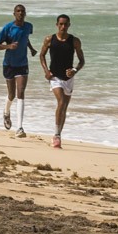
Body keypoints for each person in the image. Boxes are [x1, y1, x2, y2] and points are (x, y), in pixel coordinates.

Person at [39, 13, 84, 148]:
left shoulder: (74, 41)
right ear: (57, 25)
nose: (63, 26)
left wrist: (74, 70)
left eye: (65, 24)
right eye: (61, 24)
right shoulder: (49, 39)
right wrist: (46, 71)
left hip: (68, 78)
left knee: (64, 107)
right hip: (55, 77)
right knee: (61, 101)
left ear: (69, 25)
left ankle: (58, 133)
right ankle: (56, 136)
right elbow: (42, 55)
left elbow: (82, 61)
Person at [0, 3, 34, 134]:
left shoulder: (29, 26)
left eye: (22, 11)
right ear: (14, 14)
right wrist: (9, 46)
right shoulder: (8, 28)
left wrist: (31, 48)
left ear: (25, 14)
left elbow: (25, 38)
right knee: (11, 94)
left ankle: (19, 127)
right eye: (18, 11)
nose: (20, 13)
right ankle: (6, 112)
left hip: (22, 64)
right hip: (9, 64)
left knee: (20, 93)